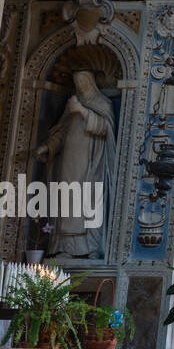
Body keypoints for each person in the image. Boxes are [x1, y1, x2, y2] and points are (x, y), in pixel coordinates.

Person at [37, 70, 114, 259]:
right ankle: (64, 247)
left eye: (83, 82)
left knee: (87, 201)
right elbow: (62, 132)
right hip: (68, 162)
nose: (80, 86)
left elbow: (106, 128)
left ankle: (89, 247)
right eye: (76, 82)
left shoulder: (102, 103)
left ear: (91, 82)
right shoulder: (71, 103)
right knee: (67, 201)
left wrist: (82, 110)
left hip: (90, 163)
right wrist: (48, 147)